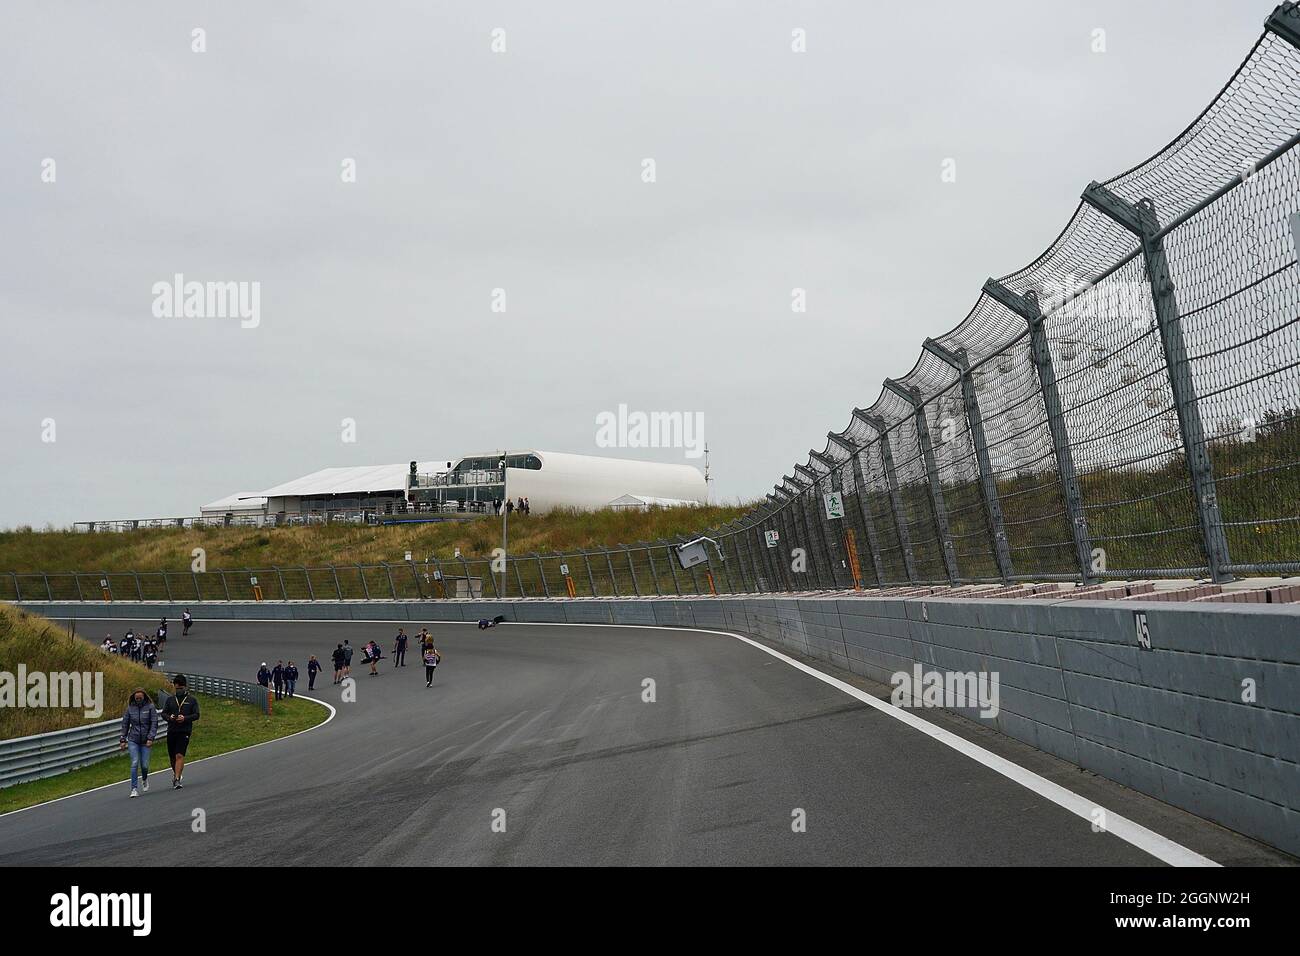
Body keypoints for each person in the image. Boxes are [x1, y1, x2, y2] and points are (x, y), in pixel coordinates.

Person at [161, 674, 200, 789]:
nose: (178, 690)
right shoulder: (170, 700)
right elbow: (164, 713)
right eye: (176, 688)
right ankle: (176, 773)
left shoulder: (192, 700)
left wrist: (185, 718)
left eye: (180, 688)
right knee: (172, 757)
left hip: (184, 731)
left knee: (179, 755)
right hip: (172, 730)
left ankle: (177, 779)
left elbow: (196, 715)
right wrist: (170, 717)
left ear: (185, 687)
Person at [119, 687, 157, 798]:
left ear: (144, 697)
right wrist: (122, 739)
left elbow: (154, 723)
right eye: (136, 698)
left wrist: (151, 738)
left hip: (146, 740)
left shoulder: (150, 707)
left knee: (144, 765)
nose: (138, 699)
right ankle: (134, 789)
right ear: (134, 698)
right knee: (135, 762)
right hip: (133, 740)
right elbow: (125, 724)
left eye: (140, 698)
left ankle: (144, 779)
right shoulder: (130, 708)